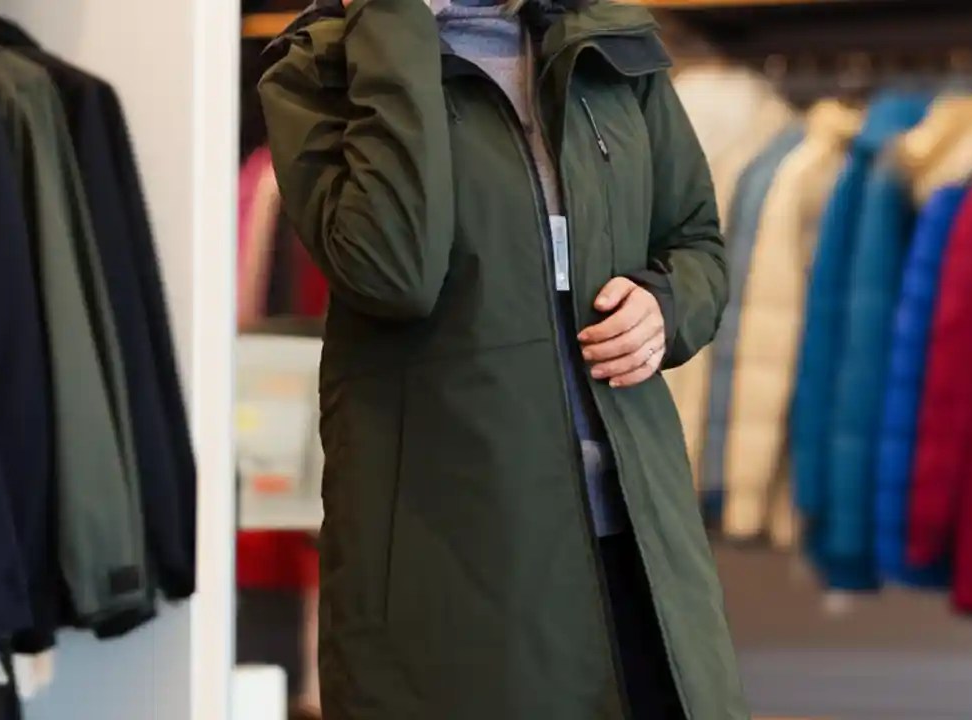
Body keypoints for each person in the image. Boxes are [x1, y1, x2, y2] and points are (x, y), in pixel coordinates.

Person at [258, 0, 747, 716]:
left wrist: (664, 307)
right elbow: (393, 270)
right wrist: (396, 30)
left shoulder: (606, 38)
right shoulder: (322, 66)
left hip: (638, 541)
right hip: (459, 563)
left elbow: (695, 240)